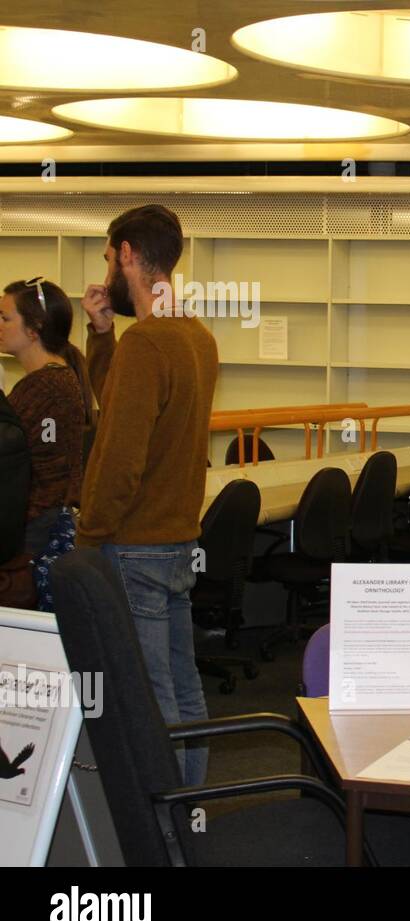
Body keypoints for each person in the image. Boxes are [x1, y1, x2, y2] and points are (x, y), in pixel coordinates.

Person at [80, 204, 218, 787]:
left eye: (110, 257)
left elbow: (119, 459)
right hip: (179, 540)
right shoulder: (195, 337)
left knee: (150, 693)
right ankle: (190, 806)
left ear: (129, 254)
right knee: (184, 688)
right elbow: (126, 404)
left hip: (133, 547)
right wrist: (104, 334)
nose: (107, 269)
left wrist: (87, 541)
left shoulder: (147, 345)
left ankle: (165, 821)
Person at [0, 278, 91, 556]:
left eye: (5, 318)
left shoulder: (45, 387)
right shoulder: (54, 377)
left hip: (35, 530)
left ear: (34, 328)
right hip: (42, 522)